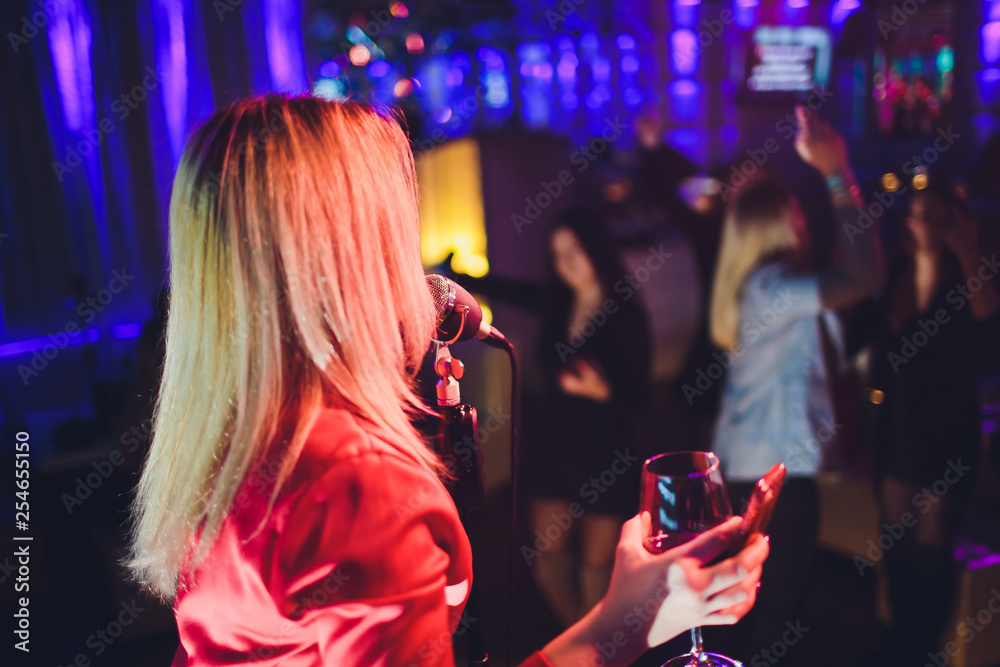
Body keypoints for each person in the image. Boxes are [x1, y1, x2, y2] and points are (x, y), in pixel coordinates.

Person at [125, 94, 768, 667]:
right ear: (353, 262)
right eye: (400, 234)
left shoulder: (227, 444)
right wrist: (629, 619)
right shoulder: (354, 484)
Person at [706, 107, 884, 662]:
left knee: (748, 604)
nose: (804, 223)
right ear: (783, 225)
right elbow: (865, 277)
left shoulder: (758, 286)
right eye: (796, 216)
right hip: (774, 475)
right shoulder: (776, 288)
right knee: (773, 610)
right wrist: (838, 173)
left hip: (747, 466)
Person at [455, 208, 653, 626]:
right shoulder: (556, 302)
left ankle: (594, 651)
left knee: (596, 574)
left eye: (575, 251)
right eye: (558, 254)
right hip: (550, 449)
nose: (567, 263)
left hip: (605, 455)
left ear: (596, 250)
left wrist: (604, 392)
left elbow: (641, 401)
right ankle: (583, 648)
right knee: (547, 564)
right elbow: (507, 288)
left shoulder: (627, 316)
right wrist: (457, 280)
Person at [849, 183, 998, 665]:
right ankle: (902, 641)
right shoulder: (895, 271)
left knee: (934, 546)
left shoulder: (967, 274)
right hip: (898, 426)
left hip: (947, 430)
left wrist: (964, 244)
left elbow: (986, 317)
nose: (916, 222)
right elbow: (872, 334)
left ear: (951, 221)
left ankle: (922, 648)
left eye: (929, 214)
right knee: (896, 540)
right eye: (912, 214)